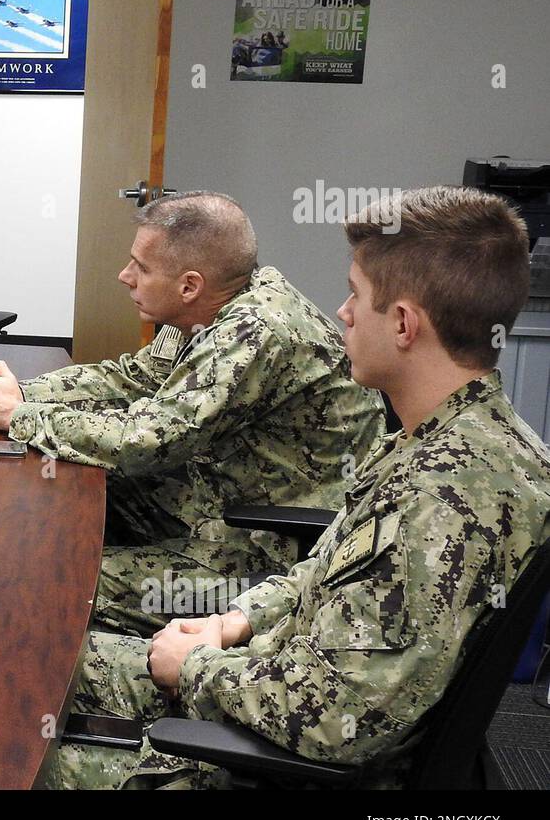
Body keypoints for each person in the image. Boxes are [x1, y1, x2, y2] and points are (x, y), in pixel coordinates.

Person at [43, 185, 550, 789]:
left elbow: (337, 721)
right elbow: (325, 570)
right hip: (267, 671)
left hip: (279, 758)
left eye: (358, 296)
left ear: (406, 324)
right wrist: (235, 620)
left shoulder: (445, 500)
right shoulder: (448, 437)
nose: (342, 312)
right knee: (31, 656)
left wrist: (199, 668)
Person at [0, 191, 383, 635]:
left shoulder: (255, 331)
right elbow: (134, 379)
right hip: (206, 496)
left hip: (260, 547)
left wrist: (20, 415)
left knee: (40, 576)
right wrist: (22, 391)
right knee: (35, 508)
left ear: (189, 285)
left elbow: (147, 442)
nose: (124, 276)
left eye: (142, 267)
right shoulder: (210, 306)